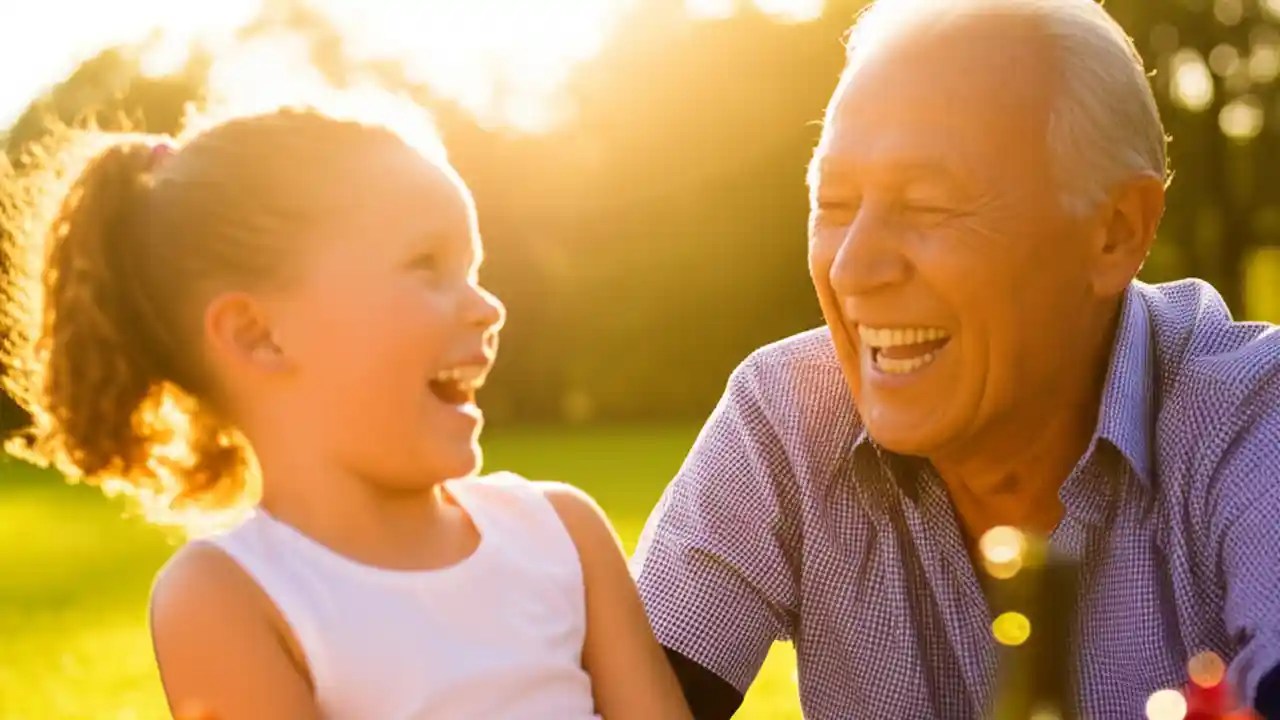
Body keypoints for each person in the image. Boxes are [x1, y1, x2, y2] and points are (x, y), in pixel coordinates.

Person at [631, 0, 1280, 718]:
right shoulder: (785, 416)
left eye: (930, 206)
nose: (853, 269)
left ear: (1114, 232)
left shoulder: (1254, 416)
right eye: (836, 204)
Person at [1, 108, 691, 720]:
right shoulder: (230, 597)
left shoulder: (562, 535)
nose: (488, 306)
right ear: (258, 336)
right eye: (427, 264)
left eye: (474, 269)